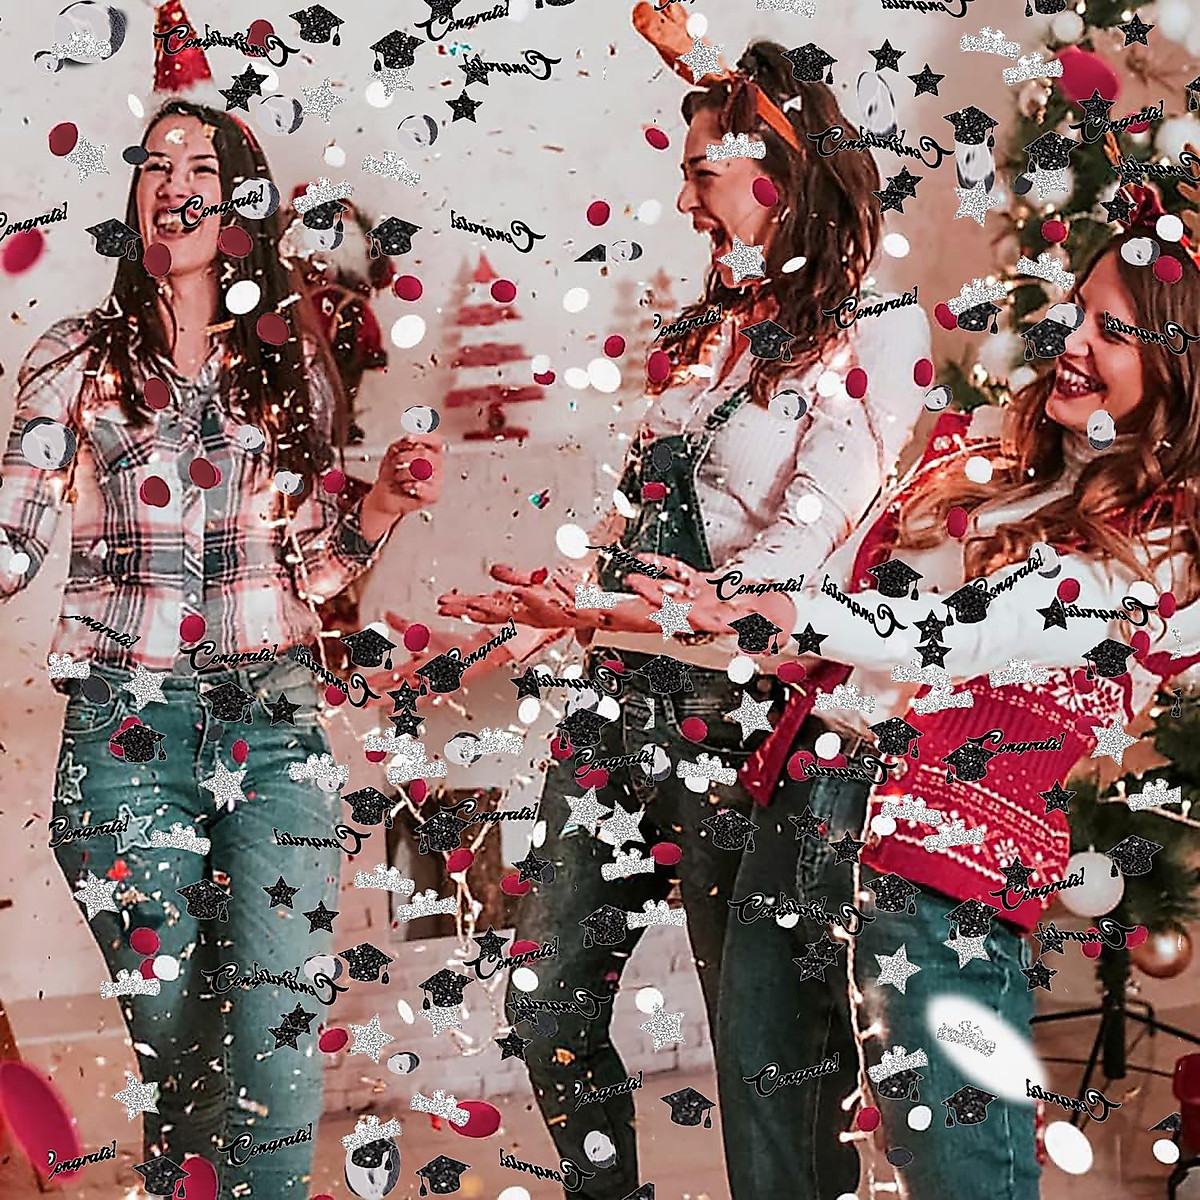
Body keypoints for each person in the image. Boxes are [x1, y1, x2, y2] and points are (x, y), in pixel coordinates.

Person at [438, 26, 930, 1199]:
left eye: (705, 163)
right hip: (617, 702)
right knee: (546, 991)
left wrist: (636, 604)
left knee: (767, 1054)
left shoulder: (875, 330)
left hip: (748, 729)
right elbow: (645, 530)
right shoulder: (701, 336)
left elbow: (799, 554)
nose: (682, 187)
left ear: (783, 170)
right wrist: (568, 609)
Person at [626, 219, 1200, 1199]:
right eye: (1078, 314)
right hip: (818, 788)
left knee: (957, 1171)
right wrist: (644, 606)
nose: (1071, 343)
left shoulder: (1165, 550)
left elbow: (960, 630)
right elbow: (865, 600)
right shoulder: (1003, 461)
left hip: (938, 878)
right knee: (773, 1111)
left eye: (1112, 332)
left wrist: (787, 609)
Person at [0, 100, 439, 1196]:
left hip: (277, 721)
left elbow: (306, 576)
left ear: (246, 207)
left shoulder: (288, 368)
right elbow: (10, 545)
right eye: (155, 163)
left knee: (278, 1042)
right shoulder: (74, 359)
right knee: (183, 1056)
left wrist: (379, 505)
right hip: (127, 727)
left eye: (202, 164)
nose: (172, 180)